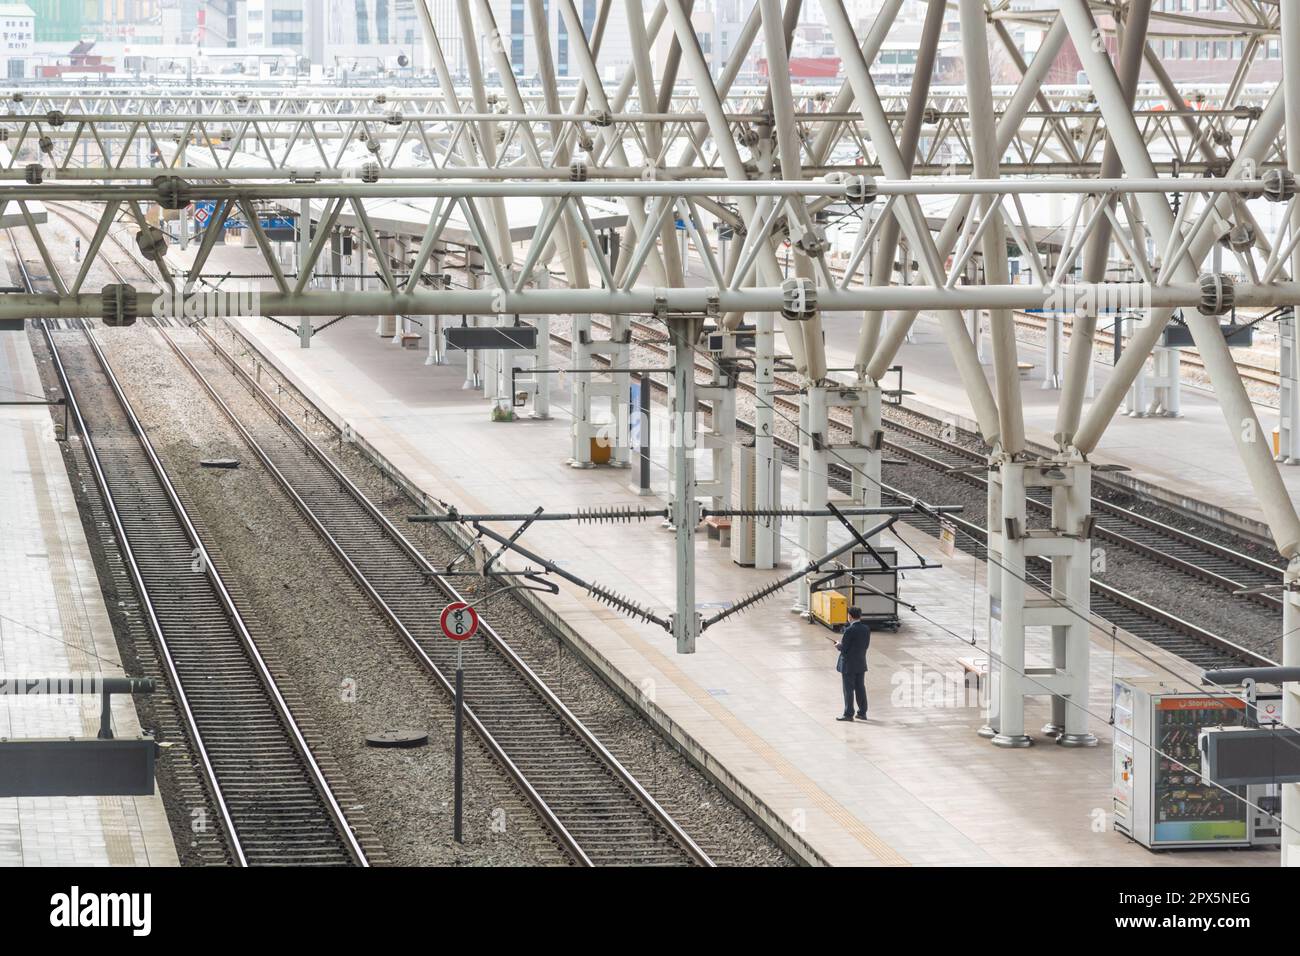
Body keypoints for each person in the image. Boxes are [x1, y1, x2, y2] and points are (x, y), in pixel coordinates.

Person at [835, 607, 871, 722]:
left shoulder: (849, 630)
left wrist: (838, 645)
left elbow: (844, 648)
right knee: (860, 688)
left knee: (848, 689)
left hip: (848, 665)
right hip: (860, 662)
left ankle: (848, 714)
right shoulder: (866, 629)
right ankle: (862, 712)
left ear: (850, 616)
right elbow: (865, 645)